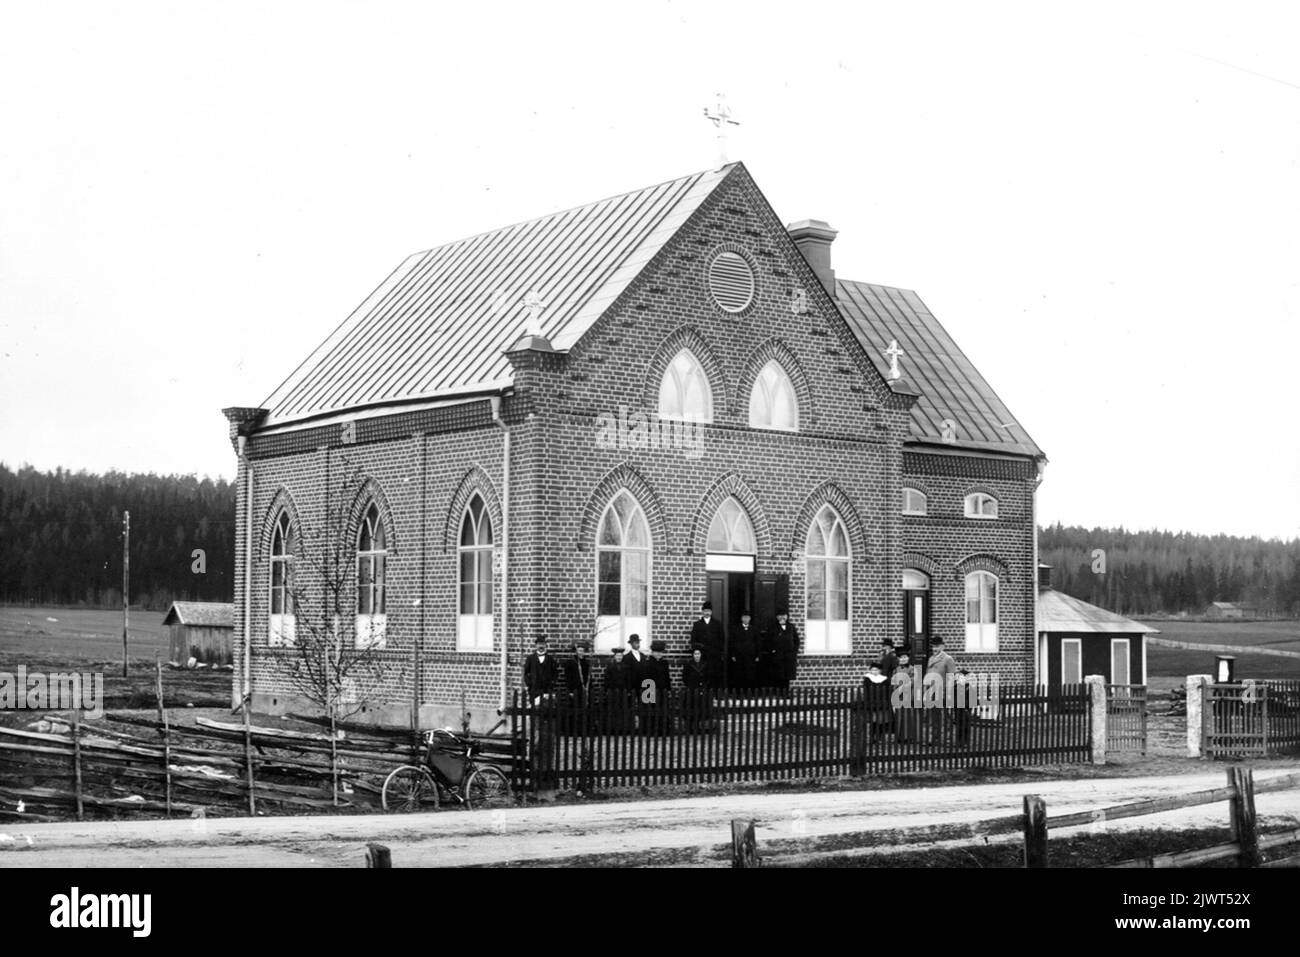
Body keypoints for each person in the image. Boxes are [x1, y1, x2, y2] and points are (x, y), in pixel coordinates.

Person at [925, 635, 958, 745]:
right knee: (932, 717)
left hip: (942, 692)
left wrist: (948, 693)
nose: (935, 649)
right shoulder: (930, 659)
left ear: (943, 646)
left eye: (937, 646)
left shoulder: (948, 659)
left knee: (945, 718)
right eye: (933, 646)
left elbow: (951, 677)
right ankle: (933, 738)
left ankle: (946, 739)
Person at [760, 607, 799, 694]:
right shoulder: (773, 628)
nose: (782, 618)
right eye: (780, 616)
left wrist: (794, 652)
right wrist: (772, 650)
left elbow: (797, 641)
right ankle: (778, 693)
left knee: (787, 676)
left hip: (789, 656)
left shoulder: (791, 627)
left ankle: (786, 693)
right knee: (778, 675)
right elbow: (767, 641)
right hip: (778, 656)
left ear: (787, 617)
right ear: (777, 617)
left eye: (784, 615)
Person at [641, 639, 673, 735]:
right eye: (657, 652)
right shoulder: (648, 663)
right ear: (653, 652)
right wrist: (648, 692)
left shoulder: (664, 663)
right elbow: (645, 679)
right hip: (650, 690)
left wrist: (668, 689)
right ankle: (650, 730)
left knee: (663, 710)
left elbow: (667, 677)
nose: (659, 654)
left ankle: (663, 730)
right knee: (651, 710)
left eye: (661, 652)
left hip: (662, 691)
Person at [690, 601, 724, 684]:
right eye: (705, 611)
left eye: (708, 611)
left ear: (711, 612)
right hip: (702, 655)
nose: (707, 613)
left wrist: (719, 651)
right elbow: (693, 640)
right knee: (703, 674)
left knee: (714, 675)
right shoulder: (697, 625)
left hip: (714, 655)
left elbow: (722, 639)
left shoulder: (717, 624)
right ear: (702, 612)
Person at [564, 639, 593, 734]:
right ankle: (573, 730)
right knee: (574, 709)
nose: (581, 653)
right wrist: (570, 691)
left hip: (584, 691)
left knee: (584, 709)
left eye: (583, 651)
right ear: (576, 651)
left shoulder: (586, 663)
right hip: (575, 690)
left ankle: (583, 730)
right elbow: (568, 678)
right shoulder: (571, 663)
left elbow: (589, 677)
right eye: (579, 651)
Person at [683, 643, 711, 731]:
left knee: (702, 709)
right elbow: (684, 677)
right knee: (692, 708)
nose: (697, 656)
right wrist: (691, 685)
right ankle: (691, 727)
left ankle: (700, 727)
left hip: (702, 690)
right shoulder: (688, 665)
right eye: (695, 654)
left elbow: (708, 677)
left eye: (698, 654)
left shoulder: (705, 665)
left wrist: (704, 686)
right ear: (693, 655)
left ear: (701, 655)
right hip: (692, 690)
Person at [891, 650, 917, 744]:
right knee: (899, 716)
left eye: (905, 657)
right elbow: (894, 682)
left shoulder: (911, 669)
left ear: (908, 658)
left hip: (908, 695)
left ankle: (908, 737)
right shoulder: (896, 669)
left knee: (907, 716)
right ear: (898, 659)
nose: (903, 659)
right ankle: (899, 737)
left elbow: (912, 681)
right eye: (901, 657)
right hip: (898, 695)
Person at [728, 612, 759, 691]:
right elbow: (732, 642)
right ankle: (739, 693)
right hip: (739, 656)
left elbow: (758, 643)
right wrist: (733, 655)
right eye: (744, 617)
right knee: (739, 675)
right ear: (741, 618)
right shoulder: (736, 629)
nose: (746, 619)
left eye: (747, 617)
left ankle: (750, 692)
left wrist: (757, 655)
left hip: (751, 656)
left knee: (750, 675)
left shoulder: (754, 629)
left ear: (750, 619)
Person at [523, 635, 558, 704]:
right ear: (536, 645)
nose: (541, 646)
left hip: (547, 690)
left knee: (547, 710)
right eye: (539, 644)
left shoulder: (550, 659)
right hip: (534, 690)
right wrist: (530, 685)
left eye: (542, 644)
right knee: (534, 711)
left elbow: (555, 673)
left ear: (545, 645)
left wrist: (552, 683)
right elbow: (526, 673)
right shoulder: (530, 659)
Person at [602, 646, 628, 733]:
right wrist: (607, 690)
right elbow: (607, 679)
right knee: (612, 710)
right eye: (617, 656)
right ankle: (612, 728)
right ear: (614, 656)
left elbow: (629, 679)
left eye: (621, 656)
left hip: (622, 692)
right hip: (612, 692)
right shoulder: (610, 667)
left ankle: (621, 728)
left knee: (622, 710)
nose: (619, 657)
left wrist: (627, 690)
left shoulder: (626, 667)